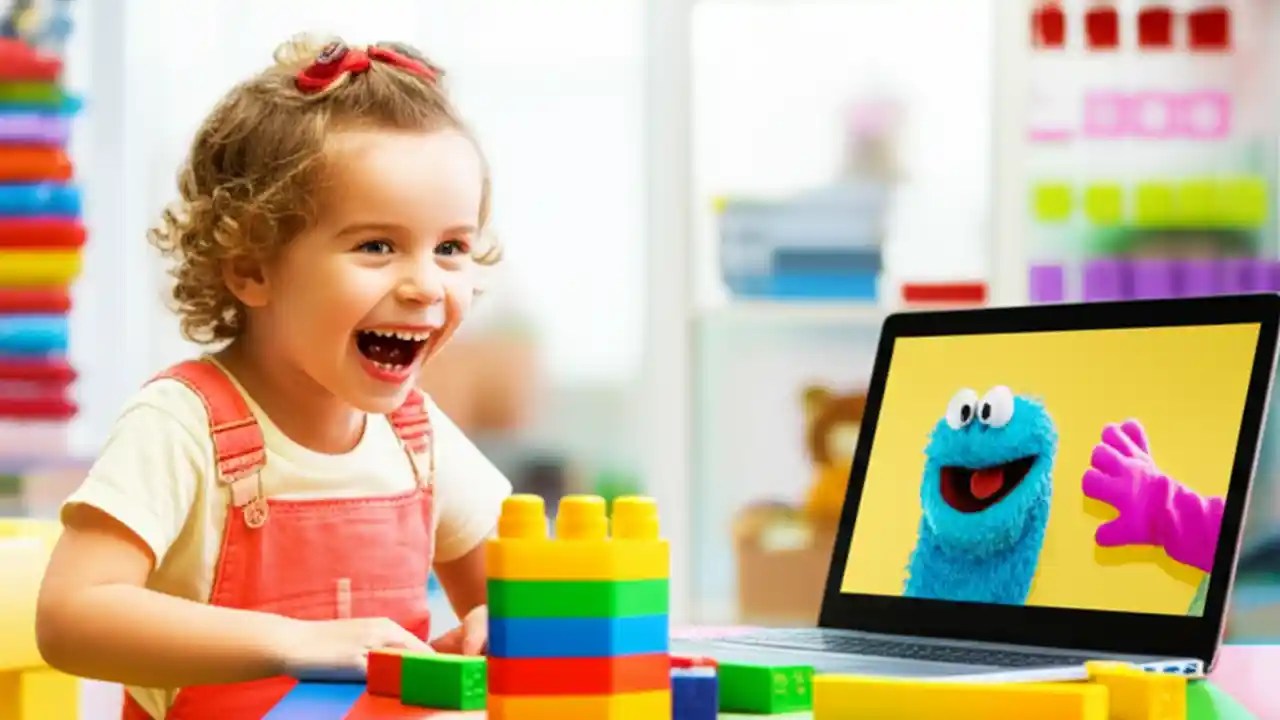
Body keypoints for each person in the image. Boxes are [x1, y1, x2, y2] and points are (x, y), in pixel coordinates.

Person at [35, 33, 512, 719]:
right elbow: (72, 616)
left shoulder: (415, 438)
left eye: (451, 248)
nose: (426, 285)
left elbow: (512, 596)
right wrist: (297, 643)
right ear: (253, 268)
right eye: (376, 246)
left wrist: (507, 628)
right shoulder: (182, 423)